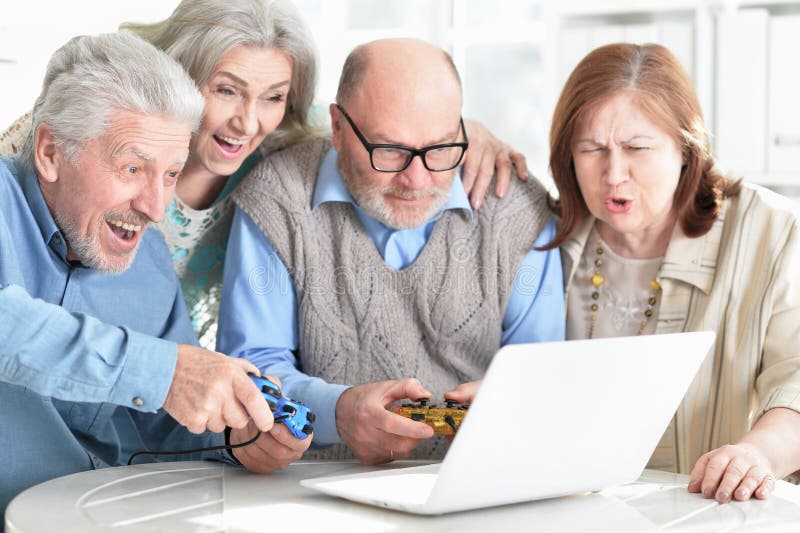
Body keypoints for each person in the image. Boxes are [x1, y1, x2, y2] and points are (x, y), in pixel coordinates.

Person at [0, 0, 532, 350]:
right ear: (180, 76)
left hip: (171, 379)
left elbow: (382, 125)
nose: (247, 122)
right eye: (226, 90)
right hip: (59, 345)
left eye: (273, 97)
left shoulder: (282, 143)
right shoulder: (65, 140)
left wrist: (468, 132)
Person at [216, 38, 565, 465]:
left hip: (479, 487)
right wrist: (337, 413)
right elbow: (252, 369)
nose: (417, 180)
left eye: (439, 148)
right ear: (339, 130)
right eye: (390, 151)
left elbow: (544, 372)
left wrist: (514, 402)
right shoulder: (278, 198)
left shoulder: (518, 209)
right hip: (311, 492)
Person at [0, 32, 278, 522]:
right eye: (132, 168)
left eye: (171, 174)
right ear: (49, 152)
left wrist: (235, 432)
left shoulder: (148, 260)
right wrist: (164, 370)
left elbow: (162, 422)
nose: (155, 207)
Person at [546, 43, 800, 503]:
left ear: (685, 149)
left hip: (711, 514)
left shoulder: (774, 229)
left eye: (637, 148)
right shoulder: (550, 236)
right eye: (592, 149)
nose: (613, 174)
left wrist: (756, 454)